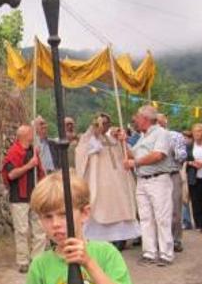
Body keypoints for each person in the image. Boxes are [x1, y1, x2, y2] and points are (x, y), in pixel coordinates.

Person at [75, 113, 139, 252]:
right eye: (102, 123)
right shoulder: (88, 139)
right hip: (99, 182)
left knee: (119, 209)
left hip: (116, 182)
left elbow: (127, 154)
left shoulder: (112, 139)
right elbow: (81, 156)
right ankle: (98, 240)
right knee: (99, 209)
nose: (105, 126)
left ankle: (119, 239)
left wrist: (122, 140)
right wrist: (94, 139)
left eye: (107, 123)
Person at [126, 105, 175, 266]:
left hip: (158, 179)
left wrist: (135, 162)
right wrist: (122, 142)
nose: (136, 121)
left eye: (138, 118)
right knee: (146, 217)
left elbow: (158, 155)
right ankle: (149, 252)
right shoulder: (142, 137)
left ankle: (166, 253)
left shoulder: (162, 133)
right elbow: (133, 154)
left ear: (146, 119)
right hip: (142, 179)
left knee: (162, 217)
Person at [2, 124, 47, 273]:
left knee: (40, 229)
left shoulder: (34, 151)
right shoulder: (13, 152)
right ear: (25, 135)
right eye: (31, 133)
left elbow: (40, 172)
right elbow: (11, 174)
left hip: (34, 195)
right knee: (22, 230)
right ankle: (23, 261)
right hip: (19, 197)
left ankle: (37, 259)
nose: (33, 135)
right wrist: (29, 165)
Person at [157, 113, 188, 252]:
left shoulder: (175, 136)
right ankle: (162, 240)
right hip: (156, 176)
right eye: (155, 122)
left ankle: (176, 240)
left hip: (173, 174)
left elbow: (183, 155)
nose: (158, 124)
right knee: (159, 211)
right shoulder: (148, 138)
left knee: (175, 210)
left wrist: (170, 148)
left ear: (165, 122)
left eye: (160, 122)